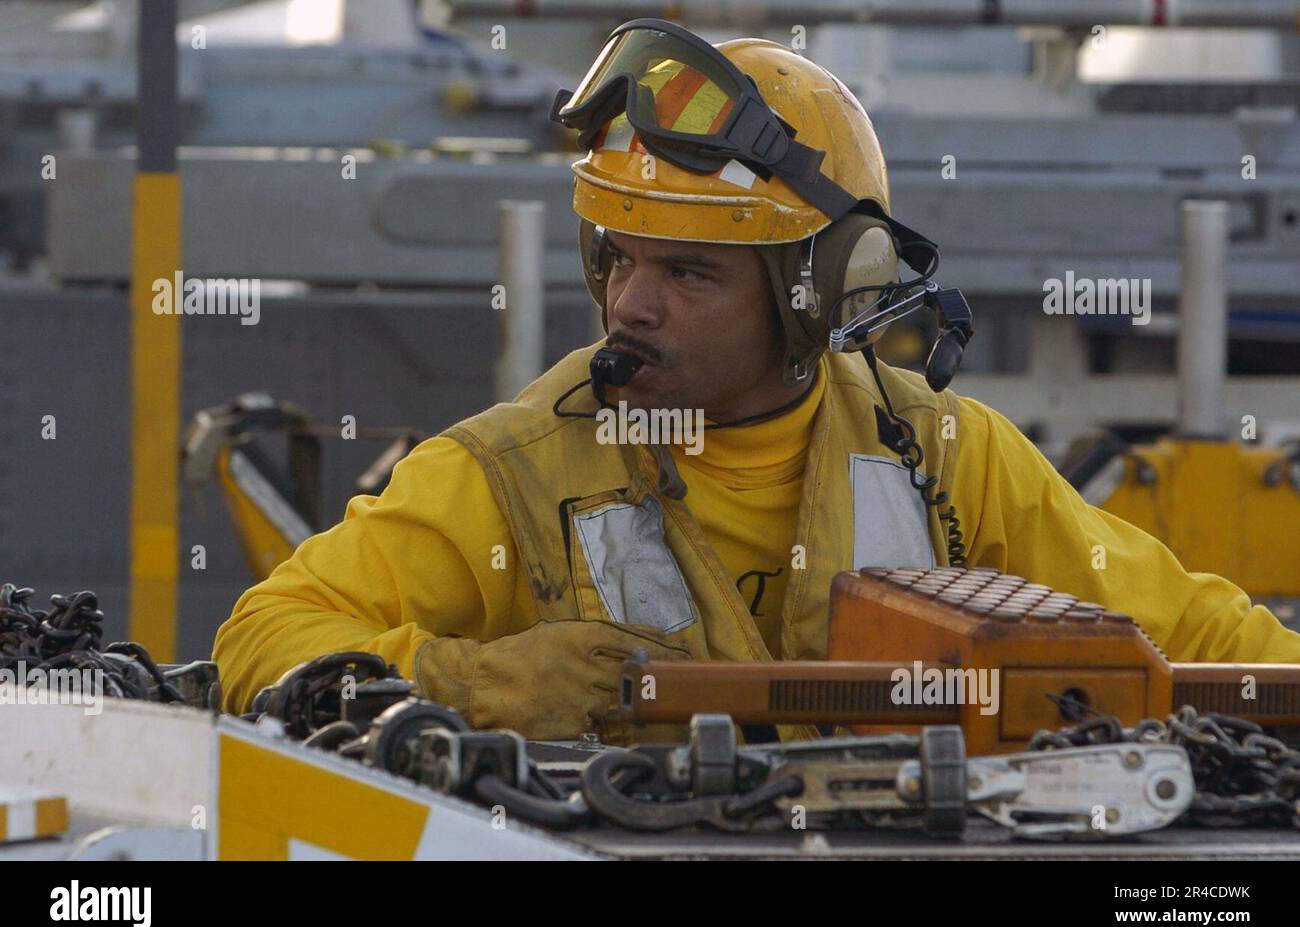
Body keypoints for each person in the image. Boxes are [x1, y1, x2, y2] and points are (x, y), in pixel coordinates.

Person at [213, 20, 1300, 744]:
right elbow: (266, 635)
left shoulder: (947, 457)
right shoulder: (510, 474)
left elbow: (1200, 639)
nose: (630, 304)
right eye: (615, 257)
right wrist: (471, 681)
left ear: (816, 294)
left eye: (687, 271)